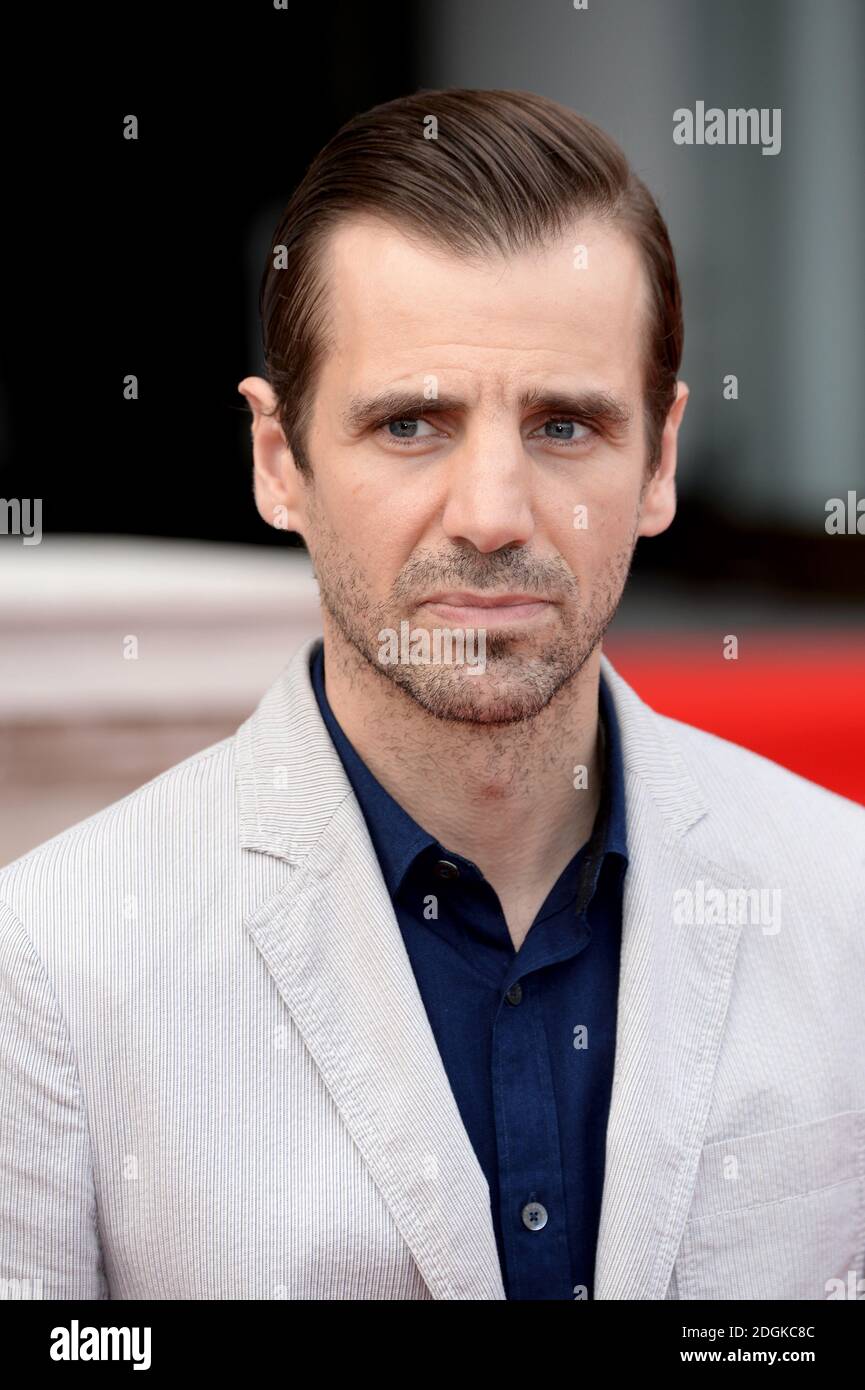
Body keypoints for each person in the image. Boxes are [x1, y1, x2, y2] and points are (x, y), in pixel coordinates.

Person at [1, 89, 862, 1302]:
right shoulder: (46, 962)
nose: (493, 515)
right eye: (411, 423)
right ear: (278, 463)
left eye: (565, 424)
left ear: (660, 459)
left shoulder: (845, 901)